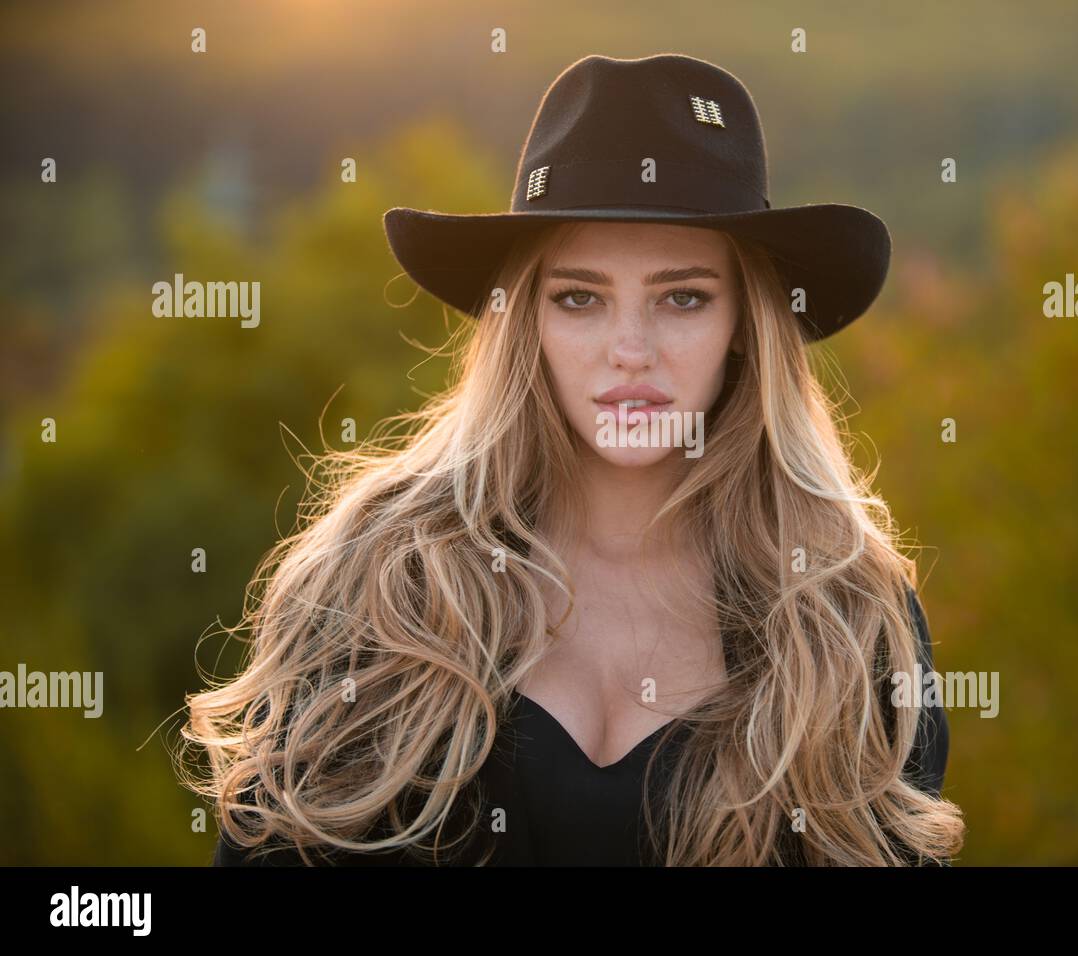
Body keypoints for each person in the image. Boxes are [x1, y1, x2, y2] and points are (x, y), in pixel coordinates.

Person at [183, 53, 965, 867]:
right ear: (528, 321)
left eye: (683, 297)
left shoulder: (842, 613)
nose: (630, 352)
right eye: (580, 298)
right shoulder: (379, 579)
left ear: (746, 326)